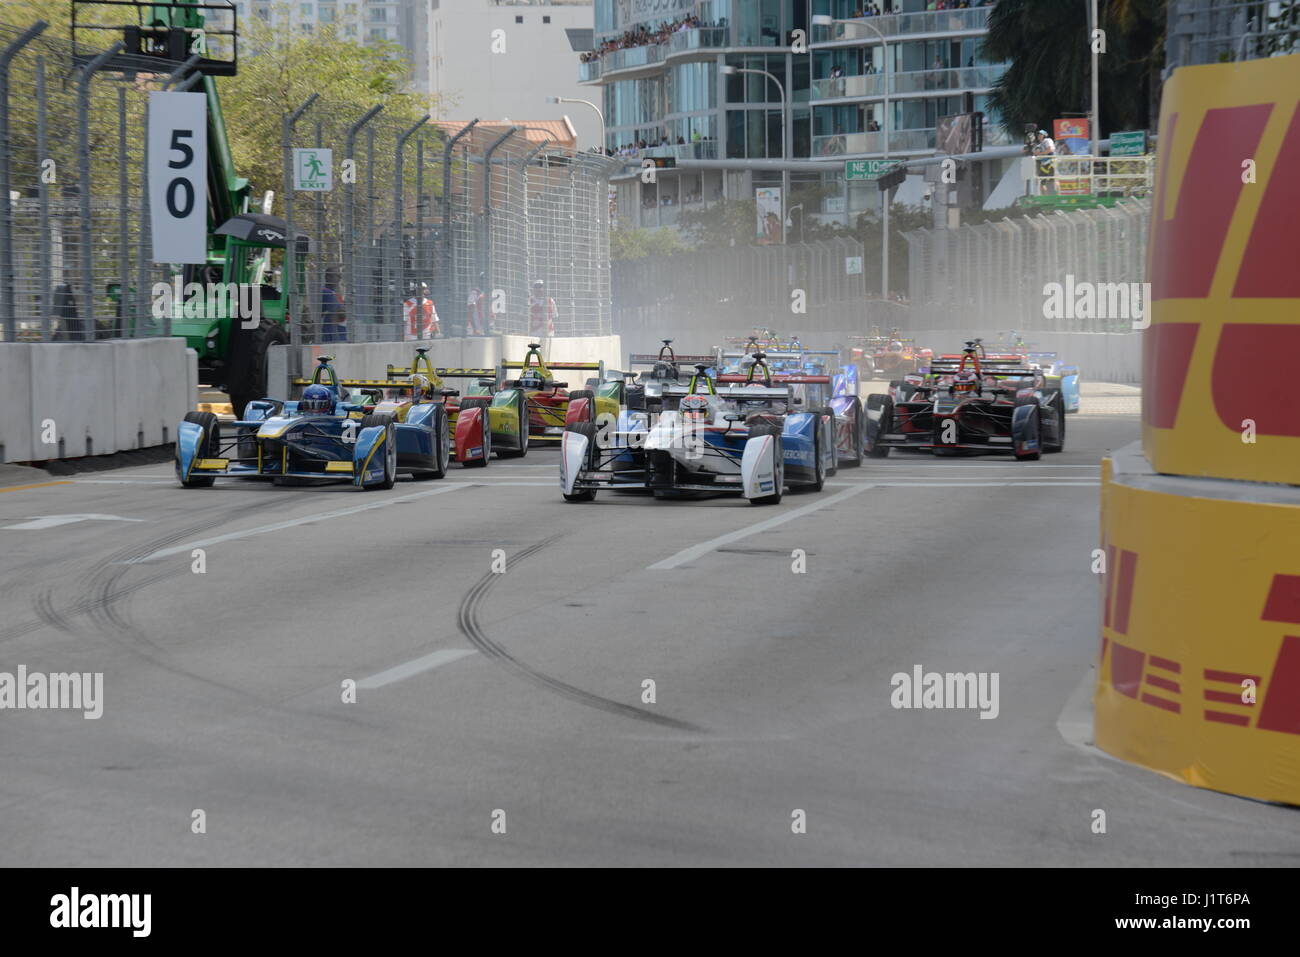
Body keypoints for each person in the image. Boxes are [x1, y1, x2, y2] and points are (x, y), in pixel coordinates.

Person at [320, 267, 347, 343]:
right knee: (331, 354)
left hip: (338, 335)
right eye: (337, 275)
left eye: (340, 276)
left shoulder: (334, 293)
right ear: (328, 277)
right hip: (332, 336)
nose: (339, 278)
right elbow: (340, 313)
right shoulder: (327, 293)